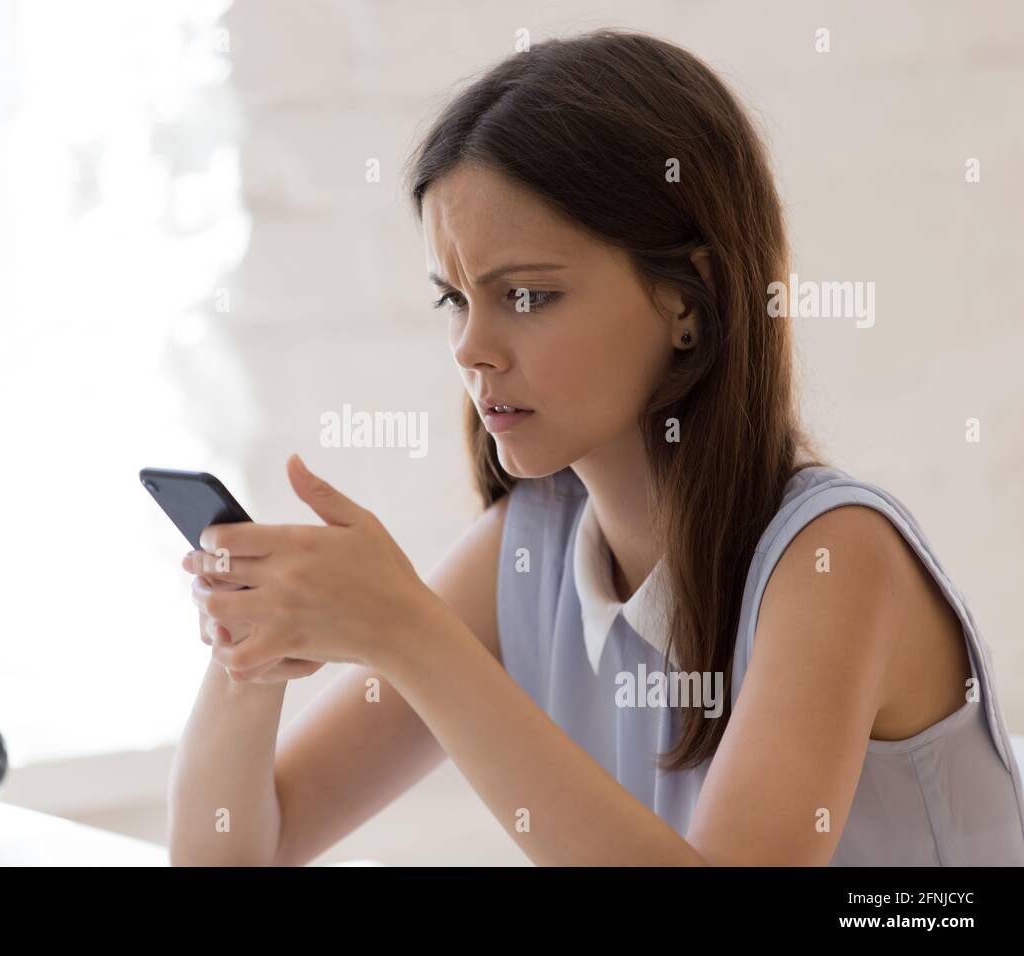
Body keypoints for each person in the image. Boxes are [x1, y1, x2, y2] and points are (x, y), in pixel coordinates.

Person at [165, 29, 1024, 866]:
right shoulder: (534, 546)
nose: (471, 347)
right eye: (454, 300)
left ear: (690, 300)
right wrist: (250, 658)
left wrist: (411, 635)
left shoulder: (834, 560)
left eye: (528, 297)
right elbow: (238, 852)